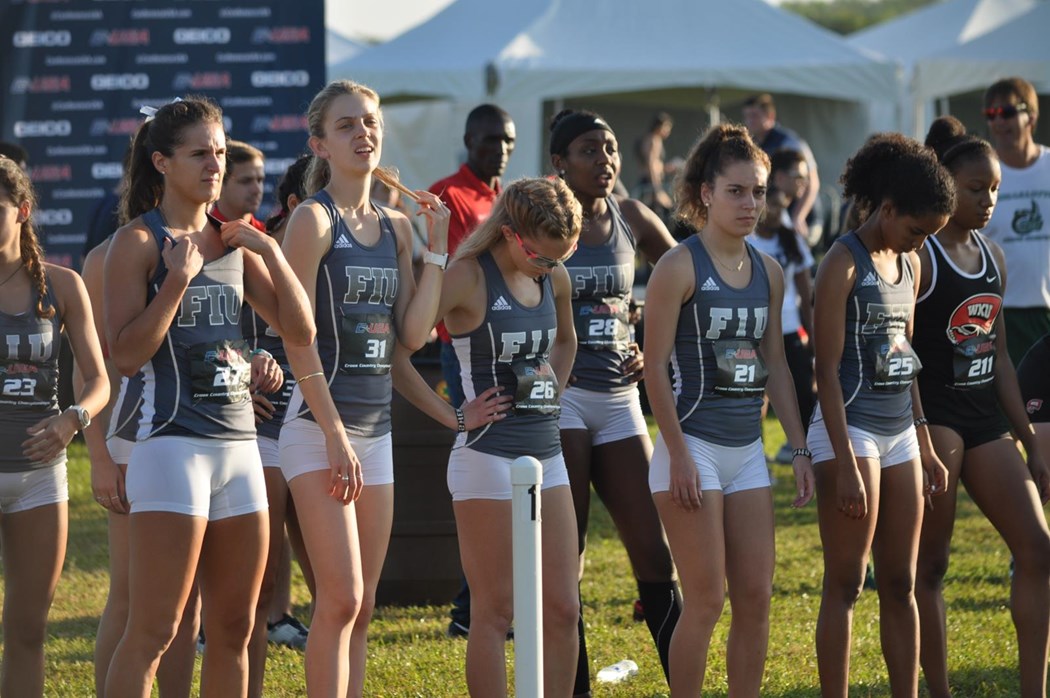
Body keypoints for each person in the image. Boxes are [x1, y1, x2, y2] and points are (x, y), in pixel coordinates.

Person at [102, 96, 315, 698]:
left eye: (220, 152)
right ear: (162, 162)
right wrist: (175, 280)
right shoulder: (138, 243)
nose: (214, 165)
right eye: (200, 153)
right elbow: (125, 354)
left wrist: (267, 249)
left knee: (234, 627)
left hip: (242, 448)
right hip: (171, 447)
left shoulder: (235, 241)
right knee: (156, 630)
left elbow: (301, 333)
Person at [278, 79, 479, 697]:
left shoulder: (396, 226)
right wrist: (335, 436)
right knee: (338, 600)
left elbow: (409, 342)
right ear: (320, 144)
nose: (363, 132)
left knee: (362, 607)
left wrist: (438, 246)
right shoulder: (313, 220)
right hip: (318, 432)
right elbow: (296, 337)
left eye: (369, 122)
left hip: (377, 437)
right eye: (346, 125)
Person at [391, 176, 582, 696]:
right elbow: (399, 354)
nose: (549, 268)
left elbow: (566, 340)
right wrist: (454, 416)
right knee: (495, 612)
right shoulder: (468, 277)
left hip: (548, 454)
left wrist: (553, 391)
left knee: (563, 607)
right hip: (487, 457)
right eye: (541, 257)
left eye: (559, 258)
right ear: (511, 233)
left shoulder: (554, 275)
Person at [643, 123, 814, 696]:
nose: (750, 203)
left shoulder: (769, 272)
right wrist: (680, 456)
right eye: (736, 190)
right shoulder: (678, 266)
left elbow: (780, 369)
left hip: (747, 452)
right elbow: (653, 370)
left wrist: (801, 446)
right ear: (706, 193)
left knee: (756, 598)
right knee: (707, 599)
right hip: (690, 449)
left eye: (758, 191)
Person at [809, 132, 954, 698]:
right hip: (851, 431)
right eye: (917, 230)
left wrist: (924, 442)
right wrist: (843, 462)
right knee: (846, 583)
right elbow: (824, 372)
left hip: (899, 434)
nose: (920, 243)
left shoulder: (911, 265)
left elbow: (906, 362)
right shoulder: (841, 263)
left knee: (901, 582)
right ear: (887, 208)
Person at [915, 116, 1050, 698]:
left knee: (1038, 552)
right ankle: (938, 688)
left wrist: (1030, 439)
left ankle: (1031, 689)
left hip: (985, 419)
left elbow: (996, 359)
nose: (989, 199)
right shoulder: (920, 255)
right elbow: (901, 352)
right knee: (933, 569)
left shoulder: (994, 256)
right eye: (976, 189)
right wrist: (919, 432)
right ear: (946, 184)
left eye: (995, 188)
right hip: (938, 418)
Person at [547, 108, 679, 695]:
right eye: (588, 150)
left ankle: (687, 682)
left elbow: (686, 280)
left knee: (656, 555)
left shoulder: (631, 216)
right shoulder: (539, 219)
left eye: (610, 149)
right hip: (562, 400)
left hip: (622, 397)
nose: (604, 160)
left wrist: (652, 336)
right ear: (559, 163)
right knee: (564, 559)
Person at [0, 155, 108, 697]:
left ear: (22, 211)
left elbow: (99, 381)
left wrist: (74, 418)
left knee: (27, 631)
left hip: (41, 479)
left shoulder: (62, 285)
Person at [81, 236, 199, 698]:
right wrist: (100, 455)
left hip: (201, 436)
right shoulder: (107, 256)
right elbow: (93, 370)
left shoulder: (212, 242)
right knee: (132, 598)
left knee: (188, 604)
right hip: (133, 436)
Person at [428, 103, 516, 637]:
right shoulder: (450, 195)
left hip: (512, 350)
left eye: (506, 140)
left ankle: (495, 601)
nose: (499, 150)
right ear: (468, 140)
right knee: (480, 467)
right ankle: (470, 609)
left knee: (512, 471)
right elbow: (455, 280)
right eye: (489, 141)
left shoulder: (508, 197)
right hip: (464, 353)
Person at [245, 153, 316, 697]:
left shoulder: (345, 247)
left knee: (336, 582)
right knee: (260, 571)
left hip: (321, 420)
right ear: (294, 205)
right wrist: (241, 373)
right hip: (264, 425)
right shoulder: (251, 249)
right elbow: (211, 329)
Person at [980, 77, 1050, 366]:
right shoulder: (982, 173)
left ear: (1031, 116)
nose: (999, 121)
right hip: (1000, 313)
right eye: (991, 115)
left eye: (1007, 112)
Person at [749, 185, 816, 462]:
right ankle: (757, 452)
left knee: (802, 390)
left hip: (789, 327)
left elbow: (804, 289)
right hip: (757, 330)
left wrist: (812, 334)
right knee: (756, 397)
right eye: (771, 206)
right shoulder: (748, 241)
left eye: (782, 207)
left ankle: (805, 448)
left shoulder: (792, 240)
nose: (777, 213)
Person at [742, 94, 822, 244]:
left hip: (804, 217)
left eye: (754, 115)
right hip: (779, 218)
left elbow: (813, 182)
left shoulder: (790, 143)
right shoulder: (754, 144)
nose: (749, 121)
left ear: (770, 116)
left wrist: (799, 216)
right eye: (747, 116)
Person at [212, 140, 266, 231]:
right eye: (246, 181)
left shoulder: (269, 236)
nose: (257, 190)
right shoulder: (199, 234)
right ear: (220, 184)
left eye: (260, 180)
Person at [634, 111, 674, 217]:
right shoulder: (653, 140)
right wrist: (657, 189)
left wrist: (665, 168)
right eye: (667, 127)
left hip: (651, 182)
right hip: (650, 183)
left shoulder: (654, 139)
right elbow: (650, 164)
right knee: (656, 213)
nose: (668, 131)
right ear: (661, 126)